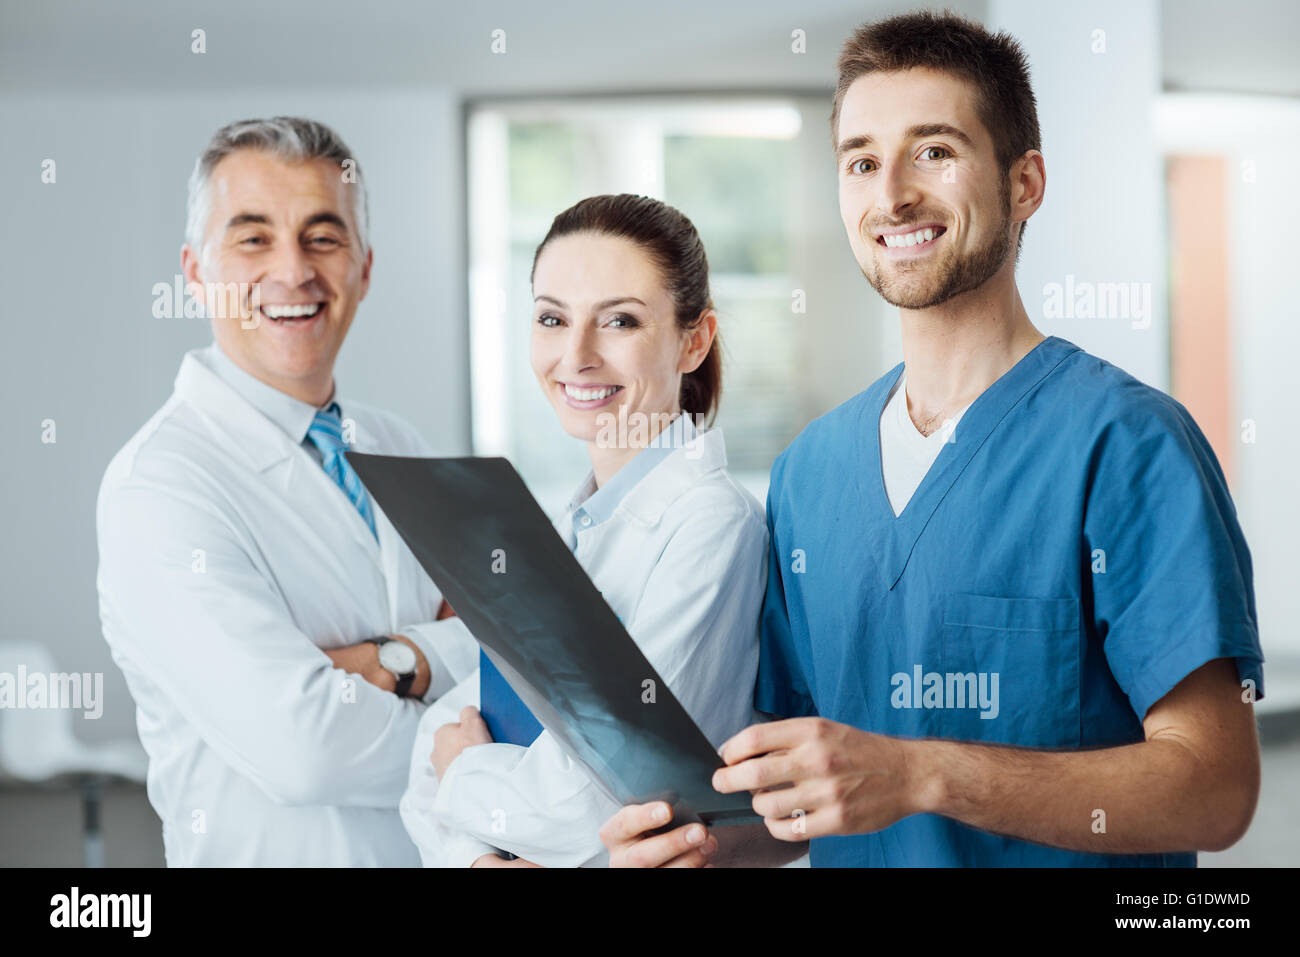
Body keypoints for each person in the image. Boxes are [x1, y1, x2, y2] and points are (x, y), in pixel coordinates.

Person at [602, 11, 1264, 867]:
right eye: (863, 161)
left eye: (935, 152)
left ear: (1023, 183)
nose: (892, 195)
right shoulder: (811, 472)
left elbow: (1214, 788)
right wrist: (701, 846)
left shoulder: (1130, 446)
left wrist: (926, 775)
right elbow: (807, 786)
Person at [96, 117, 477, 866]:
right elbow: (305, 748)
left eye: (322, 237)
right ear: (196, 271)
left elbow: (509, 650)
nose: (293, 270)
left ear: (363, 268)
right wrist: (463, 723)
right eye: (252, 237)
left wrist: (389, 660)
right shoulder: (160, 486)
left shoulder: (401, 446)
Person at [399, 194, 785, 867]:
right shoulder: (561, 530)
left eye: (619, 321)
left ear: (693, 341)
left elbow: (593, 802)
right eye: (552, 318)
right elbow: (429, 749)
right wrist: (478, 860)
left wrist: (464, 774)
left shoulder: (713, 527)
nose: (575, 355)